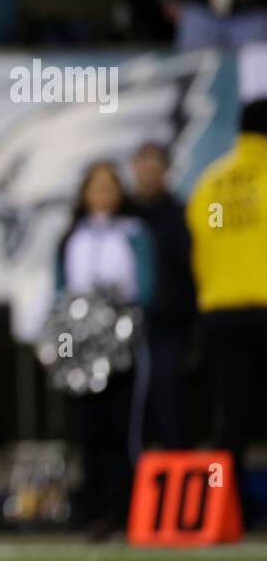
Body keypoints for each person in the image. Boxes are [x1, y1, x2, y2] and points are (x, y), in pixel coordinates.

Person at [185, 42, 267, 525]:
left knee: (230, 419)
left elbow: (195, 251)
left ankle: (225, 512)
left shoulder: (210, 182)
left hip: (220, 313)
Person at [54, 162, 156, 539]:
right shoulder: (73, 236)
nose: (102, 194)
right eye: (94, 186)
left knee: (122, 428)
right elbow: (60, 289)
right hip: (83, 346)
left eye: (109, 186)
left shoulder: (133, 233)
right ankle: (94, 510)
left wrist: (113, 309)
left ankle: (126, 510)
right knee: (89, 429)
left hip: (121, 340)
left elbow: (145, 288)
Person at [128, 142, 196, 449]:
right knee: (129, 408)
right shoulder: (122, 215)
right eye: (143, 166)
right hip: (125, 329)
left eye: (155, 167)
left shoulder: (181, 214)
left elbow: (192, 269)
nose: (148, 174)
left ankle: (176, 482)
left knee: (170, 399)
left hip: (169, 326)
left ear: (167, 171)